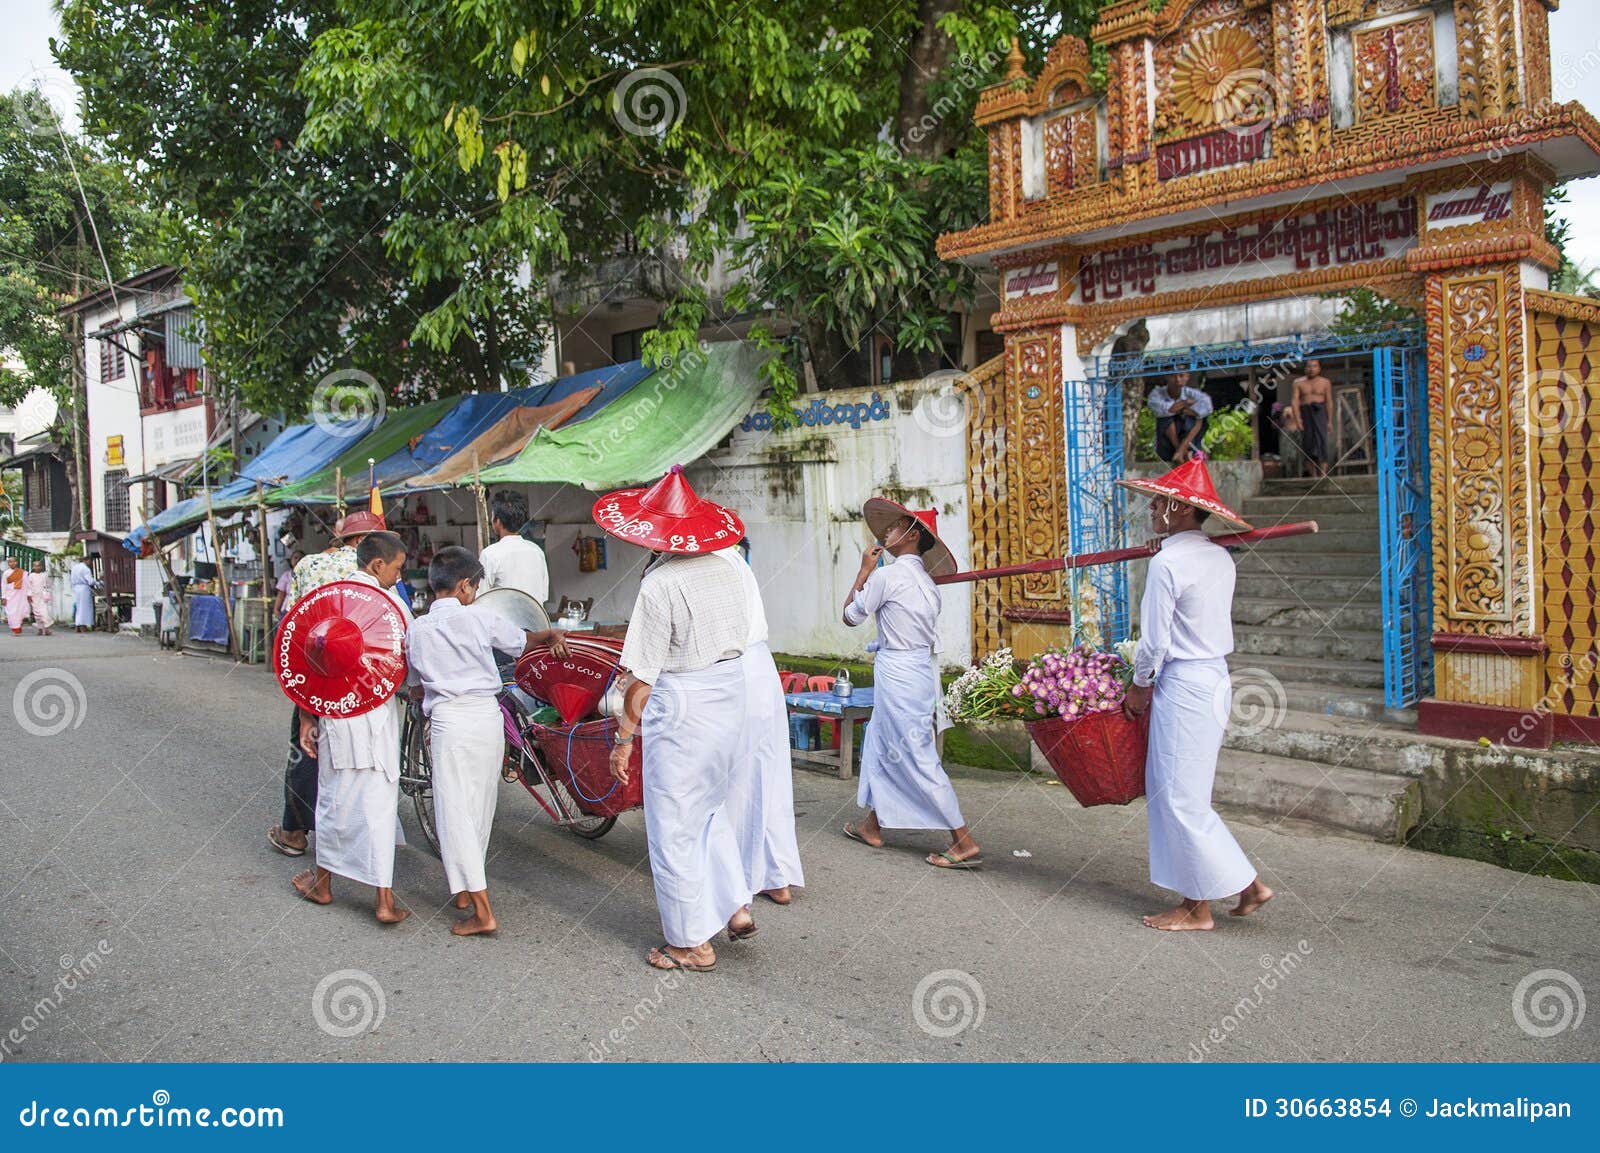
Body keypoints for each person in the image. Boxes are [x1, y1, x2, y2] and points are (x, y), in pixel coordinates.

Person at [598, 464, 754, 972]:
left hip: (683, 704)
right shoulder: (731, 567)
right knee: (711, 810)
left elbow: (640, 679)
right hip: (729, 696)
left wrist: (624, 738)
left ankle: (691, 942)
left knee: (673, 826)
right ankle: (734, 906)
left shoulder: (660, 584)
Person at [1117, 458, 1274, 931]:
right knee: (1188, 795)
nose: (1151, 509)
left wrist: (1139, 686)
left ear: (1181, 512)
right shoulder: (1217, 556)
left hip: (1183, 683)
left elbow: (1156, 642)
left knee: (1179, 799)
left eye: (1160, 503)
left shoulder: (1168, 563)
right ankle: (1248, 886)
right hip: (1213, 679)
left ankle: (1195, 907)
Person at [405, 545, 568, 936]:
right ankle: (464, 890)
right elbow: (524, 640)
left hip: (450, 723)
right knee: (479, 807)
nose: (474, 594)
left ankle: (480, 909)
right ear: (464, 586)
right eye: (475, 587)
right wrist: (551, 634)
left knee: (453, 811)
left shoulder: (417, 628)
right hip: (486, 720)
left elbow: (413, 687)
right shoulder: (479, 618)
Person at [841, 501, 980, 869]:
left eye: (895, 527)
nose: (886, 532)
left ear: (912, 535)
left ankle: (962, 839)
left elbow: (849, 616)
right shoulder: (927, 584)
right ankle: (873, 824)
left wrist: (863, 571)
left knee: (916, 754)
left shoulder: (886, 577)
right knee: (885, 743)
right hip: (916, 672)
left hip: (899, 672)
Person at [290, 531, 413, 924]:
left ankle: (323, 884)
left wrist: (307, 716)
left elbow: (303, 664)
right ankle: (383, 900)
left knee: (335, 801)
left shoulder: (331, 601)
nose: (398, 576)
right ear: (378, 565)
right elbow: (409, 663)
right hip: (377, 720)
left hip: (337, 716)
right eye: (397, 568)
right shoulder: (392, 607)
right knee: (378, 806)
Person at [268, 512, 385, 859]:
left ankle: (294, 831)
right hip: (366, 676)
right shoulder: (380, 567)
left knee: (306, 747)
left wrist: (302, 695)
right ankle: (362, 834)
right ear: (366, 543)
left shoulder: (307, 566)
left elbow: (293, 626)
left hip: (318, 672)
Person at [718, 538, 805, 905]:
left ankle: (736, 876)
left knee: (731, 780)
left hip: (729, 671)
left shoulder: (703, 566)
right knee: (767, 773)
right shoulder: (738, 561)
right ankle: (776, 876)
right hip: (760, 668)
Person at [479, 490, 549, 605]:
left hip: (502, 622)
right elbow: (543, 595)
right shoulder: (537, 551)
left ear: (498, 521)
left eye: (492, 516)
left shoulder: (489, 554)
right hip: (536, 621)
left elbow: (481, 598)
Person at [1146, 371, 1213, 464]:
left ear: (1187, 377)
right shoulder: (1157, 393)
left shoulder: (1192, 393)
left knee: (1200, 418)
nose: (1177, 380)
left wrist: (1181, 410)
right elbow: (1167, 410)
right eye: (1173, 376)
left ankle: (1182, 450)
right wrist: (1184, 403)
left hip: (1189, 443)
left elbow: (1207, 407)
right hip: (1167, 447)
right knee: (1164, 418)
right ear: (1167, 377)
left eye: (1181, 376)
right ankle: (1180, 451)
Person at [1292, 360, 1333, 478]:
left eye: (1314, 366)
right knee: (1308, 444)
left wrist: (1330, 421)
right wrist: (1297, 419)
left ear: (1319, 368)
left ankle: (1323, 474)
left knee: (1322, 442)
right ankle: (1313, 475)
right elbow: (1295, 401)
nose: (1311, 369)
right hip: (1305, 412)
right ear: (1305, 368)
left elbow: (1329, 402)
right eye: (1309, 366)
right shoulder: (1298, 383)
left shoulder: (1325, 382)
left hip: (1320, 412)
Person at [272, 550, 304, 622]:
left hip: (303, 610)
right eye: (295, 558)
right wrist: (276, 610)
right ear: (291, 561)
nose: (298, 560)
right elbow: (281, 595)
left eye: (301, 558)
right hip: (287, 611)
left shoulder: (308, 576)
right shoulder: (286, 575)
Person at [68, 557, 97, 632]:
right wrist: (97, 582)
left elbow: (71, 579)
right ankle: (83, 626)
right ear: (86, 560)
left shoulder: (74, 567)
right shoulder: (86, 569)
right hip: (84, 588)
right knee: (85, 608)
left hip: (76, 588)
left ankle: (77, 626)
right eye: (90, 561)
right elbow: (90, 581)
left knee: (79, 607)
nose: (90, 563)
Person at [26, 561, 52, 635]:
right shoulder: (31, 576)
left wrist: (46, 592)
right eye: (35, 566)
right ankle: (40, 629)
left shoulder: (44, 575)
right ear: (33, 567)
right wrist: (29, 595)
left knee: (45, 612)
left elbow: (48, 584)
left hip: (42, 597)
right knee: (37, 614)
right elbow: (28, 587)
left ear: (41, 567)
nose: (37, 567)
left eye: (38, 566)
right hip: (34, 597)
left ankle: (46, 629)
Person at [3, 558, 26, 635]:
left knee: (19, 611)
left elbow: (27, 583)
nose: (12, 563)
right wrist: (3, 597)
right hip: (10, 595)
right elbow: (3, 585)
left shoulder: (22, 572)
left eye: (14, 561)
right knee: (11, 612)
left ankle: (18, 627)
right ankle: (15, 628)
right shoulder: (6, 573)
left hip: (20, 595)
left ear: (17, 562)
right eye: (10, 562)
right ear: (8, 563)